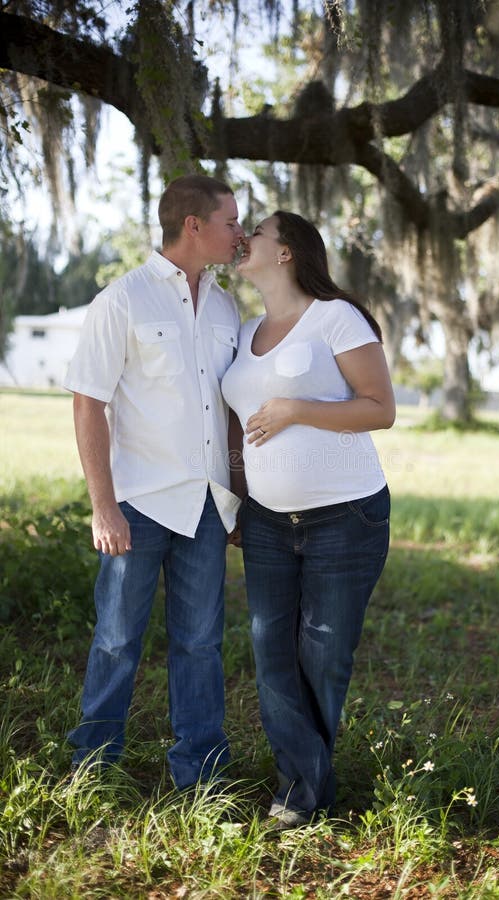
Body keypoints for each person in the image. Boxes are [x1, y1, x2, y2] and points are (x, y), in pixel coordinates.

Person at [64, 174, 245, 791]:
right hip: (138, 503)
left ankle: (201, 774)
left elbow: (231, 410)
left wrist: (237, 495)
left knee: (201, 644)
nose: (239, 234)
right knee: (117, 639)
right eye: (231, 222)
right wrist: (102, 506)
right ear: (194, 226)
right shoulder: (124, 299)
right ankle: (93, 767)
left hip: (206, 505)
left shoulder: (226, 306)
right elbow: (88, 402)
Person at [221, 210, 396, 829]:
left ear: (288, 251)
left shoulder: (335, 318)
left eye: (257, 233)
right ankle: (304, 786)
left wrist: (297, 408)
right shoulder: (241, 332)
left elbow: (380, 409)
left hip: (345, 516)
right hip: (267, 520)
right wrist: (238, 496)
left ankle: (301, 788)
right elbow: (237, 430)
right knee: (271, 651)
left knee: (323, 654)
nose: (244, 240)